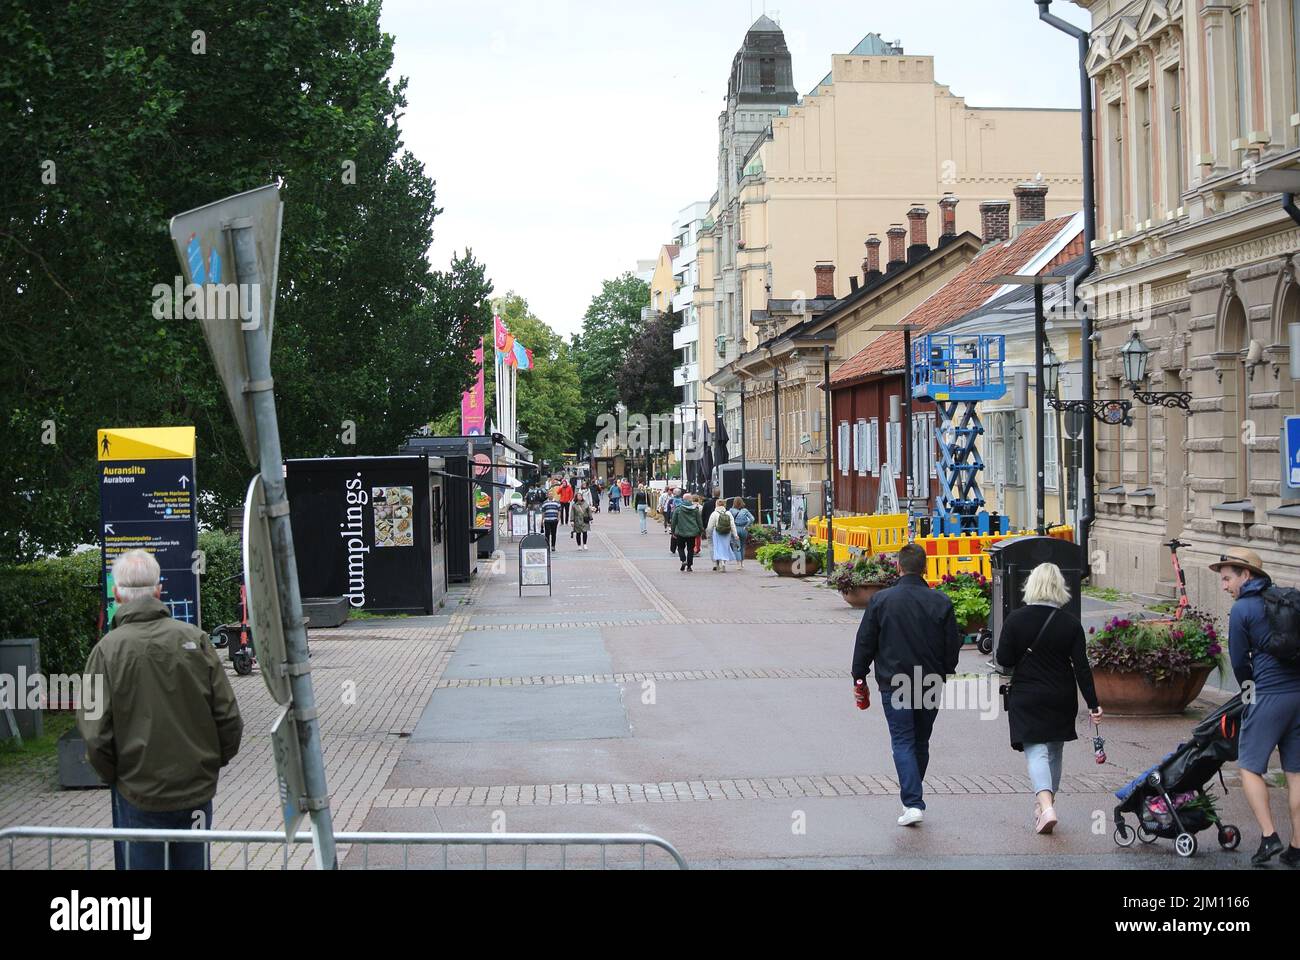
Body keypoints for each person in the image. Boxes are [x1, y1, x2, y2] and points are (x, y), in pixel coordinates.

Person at [78, 549, 243, 870]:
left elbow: (96, 735)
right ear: (158, 590)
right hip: (195, 791)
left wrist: (118, 778)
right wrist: (210, 764)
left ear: (117, 594)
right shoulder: (195, 640)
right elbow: (228, 718)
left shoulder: (106, 651)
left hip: (138, 795)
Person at [851, 543, 961, 827]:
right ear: (925, 568)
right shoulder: (941, 601)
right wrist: (946, 669)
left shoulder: (881, 601)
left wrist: (859, 675)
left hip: (894, 680)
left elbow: (865, 641)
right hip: (930, 680)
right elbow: (953, 644)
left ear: (898, 567)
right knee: (920, 741)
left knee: (902, 741)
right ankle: (912, 796)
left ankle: (912, 801)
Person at [994, 563, 1103, 835]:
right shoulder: (1070, 624)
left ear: (1031, 586)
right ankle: (1047, 804)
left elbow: (1004, 660)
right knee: (1054, 751)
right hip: (1061, 695)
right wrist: (1093, 703)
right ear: (1059, 588)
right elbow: (1081, 667)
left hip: (1027, 695)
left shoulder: (1015, 619)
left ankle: (1045, 806)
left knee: (1036, 751)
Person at [1211, 547, 1300, 867]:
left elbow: (1239, 662)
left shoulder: (1243, 609)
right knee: (1296, 773)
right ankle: (1296, 847)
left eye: (1226, 579)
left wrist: (1248, 696)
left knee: (1249, 766)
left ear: (1246, 575)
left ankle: (1268, 836)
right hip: (1298, 695)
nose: (1224, 586)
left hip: (1268, 695)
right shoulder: (1286, 601)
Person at [670, 492, 703, 573]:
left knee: (680, 548)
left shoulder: (678, 509)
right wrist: (700, 531)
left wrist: (673, 531)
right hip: (692, 532)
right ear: (690, 500)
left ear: (683, 499)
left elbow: (674, 521)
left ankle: (683, 560)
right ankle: (689, 566)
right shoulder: (695, 510)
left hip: (680, 532)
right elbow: (699, 521)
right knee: (690, 549)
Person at [704, 498, 737, 573]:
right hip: (727, 532)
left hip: (717, 532)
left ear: (716, 504)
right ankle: (724, 562)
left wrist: (708, 533)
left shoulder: (714, 513)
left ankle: (719, 563)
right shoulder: (728, 513)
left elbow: (710, 526)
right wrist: (735, 534)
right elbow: (732, 524)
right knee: (725, 547)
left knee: (718, 547)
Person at [729, 497, 755, 569]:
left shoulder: (731, 510)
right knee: (743, 546)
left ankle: (738, 564)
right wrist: (747, 525)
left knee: (737, 546)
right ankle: (742, 563)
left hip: (735, 529)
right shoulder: (745, 510)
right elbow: (752, 519)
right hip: (744, 529)